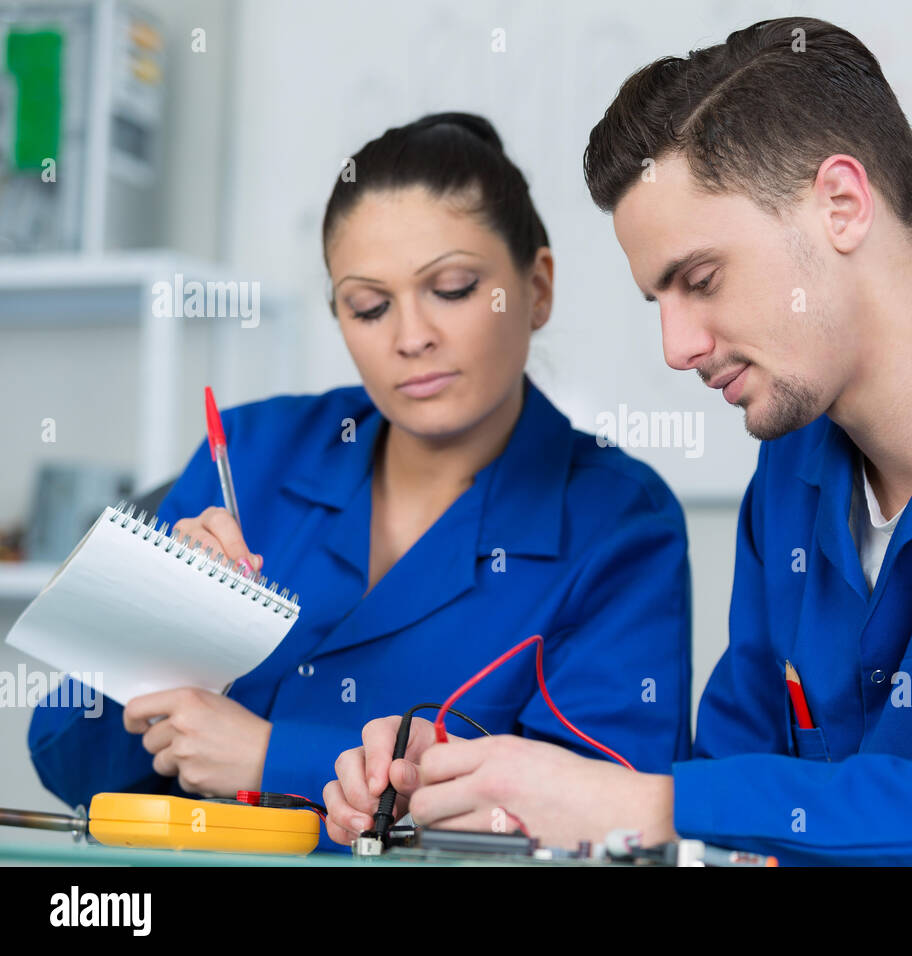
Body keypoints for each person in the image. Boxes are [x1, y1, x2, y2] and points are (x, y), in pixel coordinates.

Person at [325, 19, 912, 865]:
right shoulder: (792, 470)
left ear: (840, 203)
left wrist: (653, 805)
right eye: (655, 299)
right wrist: (510, 808)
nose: (676, 346)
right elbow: (737, 793)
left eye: (699, 278)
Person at [28, 113, 692, 848]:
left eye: (453, 287)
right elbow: (65, 761)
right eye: (369, 306)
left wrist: (272, 758)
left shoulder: (621, 521)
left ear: (535, 288)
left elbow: (609, 824)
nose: (411, 337)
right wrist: (164, 623)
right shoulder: (253, 453)